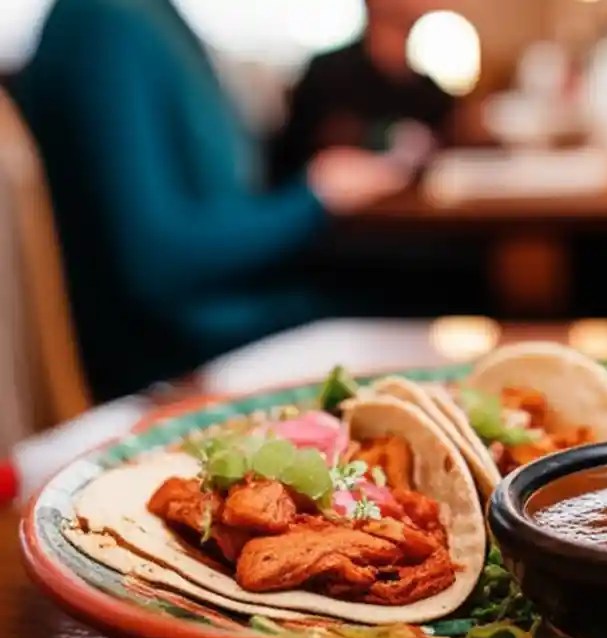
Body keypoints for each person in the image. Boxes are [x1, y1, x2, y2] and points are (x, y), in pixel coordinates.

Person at [15, 0, 412, 401]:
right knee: (427, 295)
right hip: (177, 357)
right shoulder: (104, 23)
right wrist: (315, 197)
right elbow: (158, 261)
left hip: (217, 317)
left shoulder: (147, 20)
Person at [271, 0, 456, 181]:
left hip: (413, 203)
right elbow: (306, 143)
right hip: (325, 203)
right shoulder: (329, 72)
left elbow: (448, 134)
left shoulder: (425, 86)